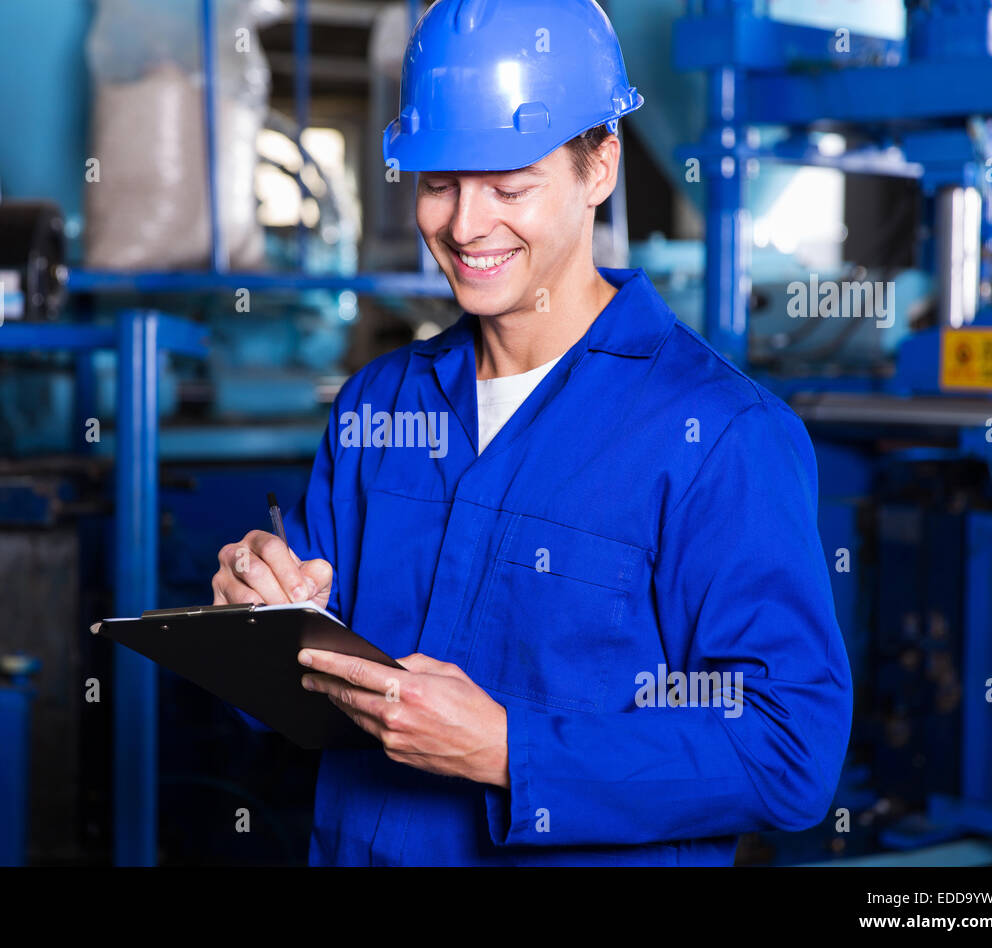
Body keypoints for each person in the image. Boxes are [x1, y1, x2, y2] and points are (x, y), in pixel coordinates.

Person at [211, 0, 852, 865]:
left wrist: (512, 751)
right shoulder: (378, 407)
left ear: (600, 168)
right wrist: (258, 619)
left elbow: (788, 751)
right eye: (439, 183)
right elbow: (300, 696)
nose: (467, 226)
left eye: (510, 186)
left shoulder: (720, 437)